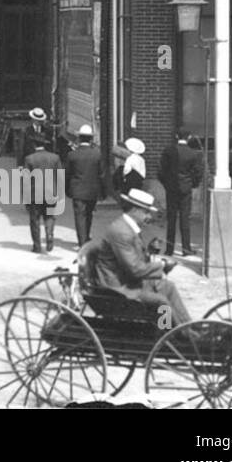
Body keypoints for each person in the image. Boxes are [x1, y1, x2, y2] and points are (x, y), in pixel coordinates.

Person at [91, 188, 192, 327]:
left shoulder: (129, 228)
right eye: (146, 212)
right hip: (118, 289)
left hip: (127, 280)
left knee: (169, 287)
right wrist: (162, 265)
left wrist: (150, 250)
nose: (149, 216)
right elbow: (135, 269)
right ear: (135, 210)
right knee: (161, 301)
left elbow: (134, 259)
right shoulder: (122, 232)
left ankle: (188, 327)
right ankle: (169, 331)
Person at [159, 131, 204, 256]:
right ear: (189, 137)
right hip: (186, 188)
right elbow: (198, 172)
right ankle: (186, 248)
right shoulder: (193, 154)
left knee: (171, 219)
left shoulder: (168, 151)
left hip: (171, 189)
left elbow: (161, 171)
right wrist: (192, 184)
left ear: (176, 136)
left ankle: (169, 249)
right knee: (185, 219)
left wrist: (166, 184)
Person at [23, 130, 63, 253]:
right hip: (51, 193)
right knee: (50, 216)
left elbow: (25, 180)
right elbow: (60, 176)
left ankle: (37, 246)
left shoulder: (29, 159)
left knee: (34, 220)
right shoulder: (55, 158)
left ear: (34, 145)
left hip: (35, 195)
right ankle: (49, 234)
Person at [66, 123, 105, 247]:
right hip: (92, 191)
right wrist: (103, 192)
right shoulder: (97, 154)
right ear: (91, 139)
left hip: (77, 190)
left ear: (79, 138)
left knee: (79, 217)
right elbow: (102, 174)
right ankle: (86, 236)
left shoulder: (72, 155)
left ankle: (82, 242)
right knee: (89, 214)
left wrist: (67, 190)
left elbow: (67, 174)